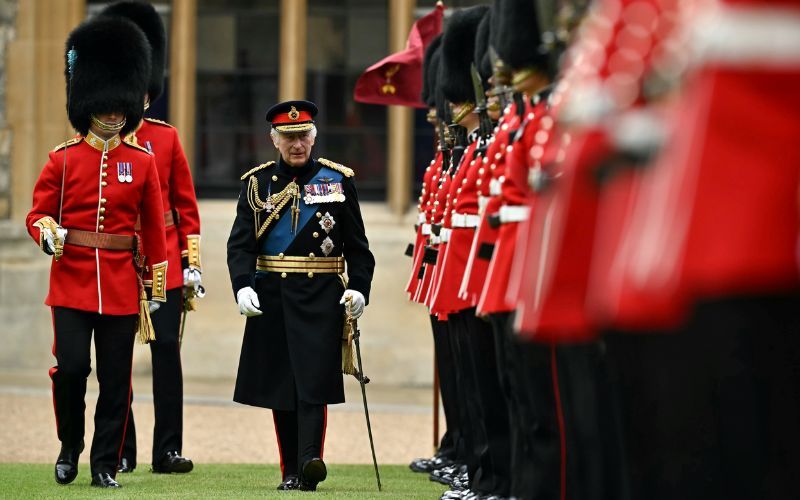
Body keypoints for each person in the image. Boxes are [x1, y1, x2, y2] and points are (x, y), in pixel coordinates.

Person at [25, 15, 167, 488]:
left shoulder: (142, 163)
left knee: (116, 381)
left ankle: (104, 463)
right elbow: (37, 213)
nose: (114, 114)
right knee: (71, 370)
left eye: (120, 106)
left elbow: (153, 227)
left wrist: (159, 284)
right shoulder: (62, 160)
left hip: (123, 286)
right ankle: (70, 447)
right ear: (88, 104)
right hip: (71, 282)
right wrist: (47, 232)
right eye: (105, 106)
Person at [227, 100, 375, 492]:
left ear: (314, 137)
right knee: (281, 385)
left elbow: (359, 249)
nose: (297, 144)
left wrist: (359, 287)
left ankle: (310, 459)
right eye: (289, 137)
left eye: (304, 136)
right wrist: (242, 285)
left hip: (320, 295)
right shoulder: (257, 185)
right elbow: (240, 245)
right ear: (274, 140)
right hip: (272, 294)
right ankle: (290, 469)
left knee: (313, 381)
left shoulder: (337, 181)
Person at [99, 0, 201, 475]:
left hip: (166, 266)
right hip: (122, 264)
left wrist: (192, 260)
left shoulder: (167, 138)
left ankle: (168, 450)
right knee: (117, 362)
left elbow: (185, 207)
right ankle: (123, 448)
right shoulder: (103, 149)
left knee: (166, 359)